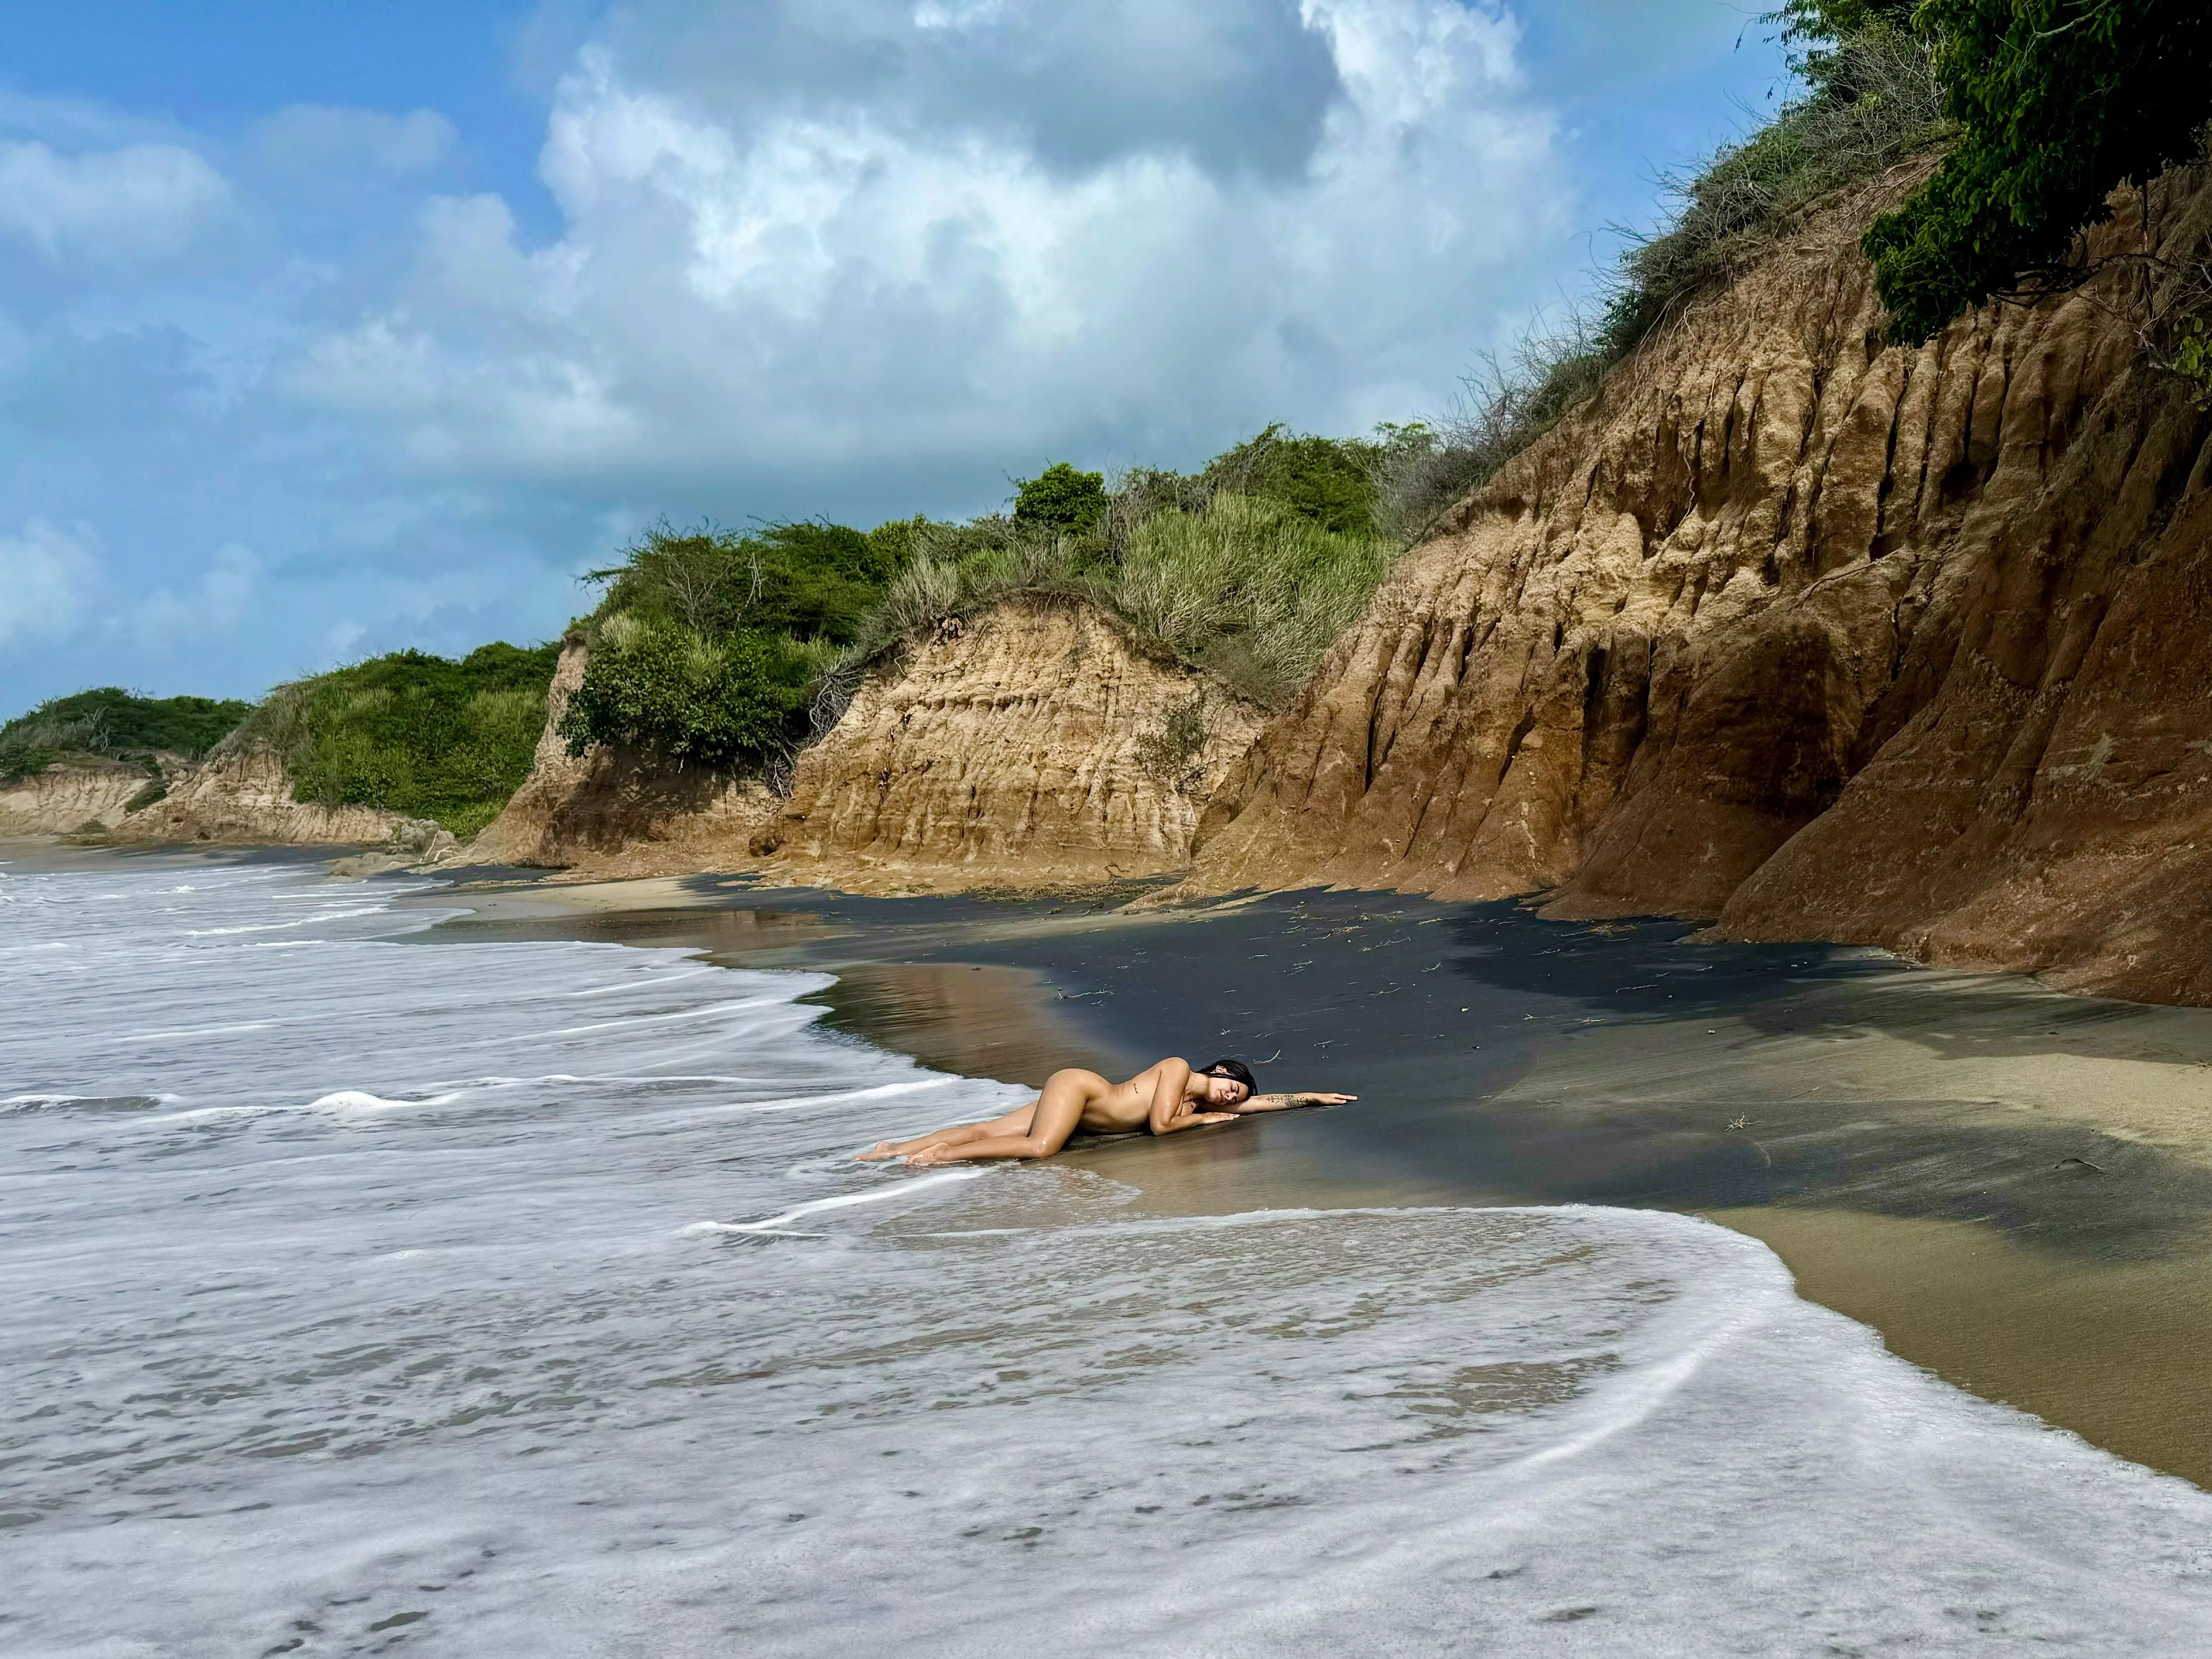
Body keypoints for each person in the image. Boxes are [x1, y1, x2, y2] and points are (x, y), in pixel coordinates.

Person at [856, 1057, 1355, 1166]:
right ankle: (941, 1155)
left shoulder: (1198, 1098)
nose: (1234, 1095)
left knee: (986, 1128)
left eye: (1238, 1092)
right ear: (1219, 1069)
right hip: (1082, 1091)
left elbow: (1258, 1104)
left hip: (1081, 1103)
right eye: (1233, 1084)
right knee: (1040, 1147)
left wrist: (1311, 1096)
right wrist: (1205, 1119)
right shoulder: (1181, 1071)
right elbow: (1161, 1127)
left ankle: (893, 1148)